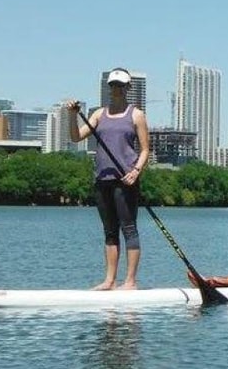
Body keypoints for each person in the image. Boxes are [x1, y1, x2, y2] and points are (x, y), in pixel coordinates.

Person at [66, 67, 151, 290]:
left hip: (126, 180)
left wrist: (136, 171)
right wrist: (72, 115)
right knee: (110, 231)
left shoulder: (136, 115)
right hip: (102, 179)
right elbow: (75, 137)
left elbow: (145, 150)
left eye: (121, 86)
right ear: (109, 88)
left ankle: (130, 281)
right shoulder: (98, 114)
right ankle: (110, 281)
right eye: (113, 86)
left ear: (128, 87)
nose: (117, 89)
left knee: (129, 228)